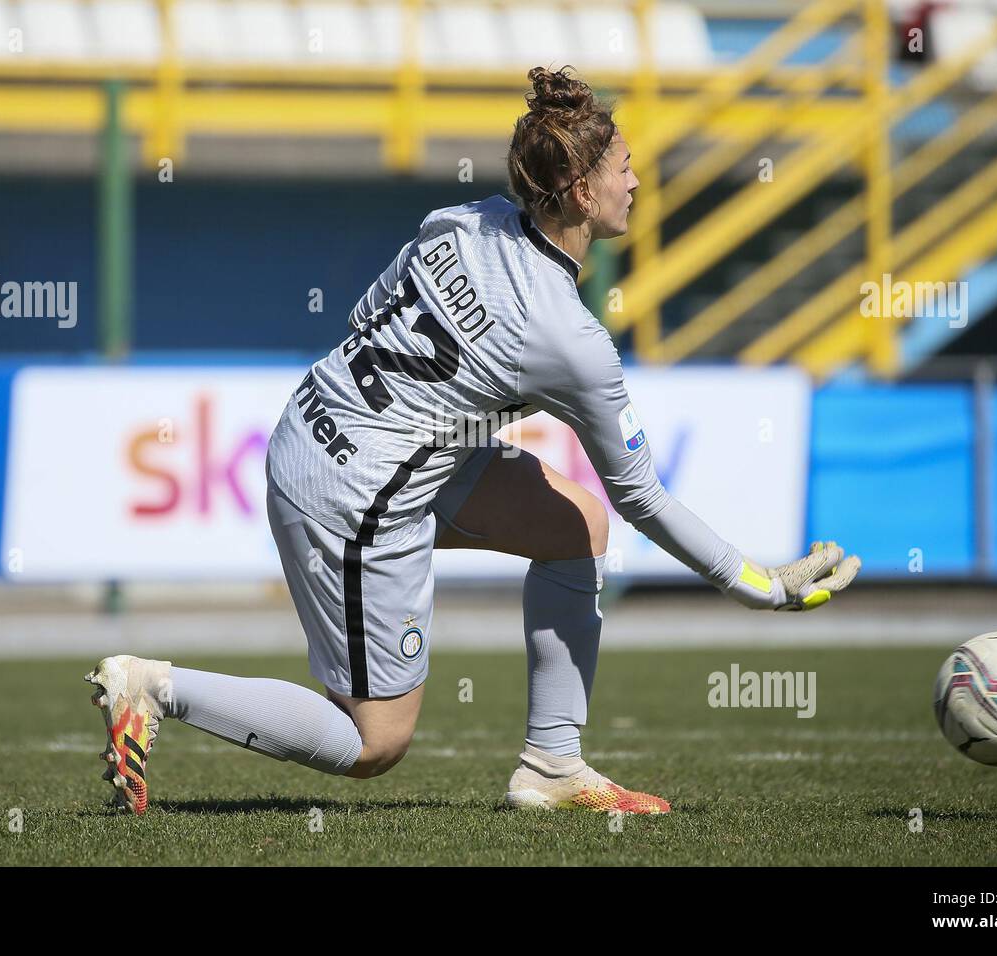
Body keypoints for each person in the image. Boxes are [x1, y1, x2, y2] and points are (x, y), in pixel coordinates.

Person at [85, 66, 861, 817]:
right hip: (353, 492)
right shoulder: (569, 338)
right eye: (625, 168)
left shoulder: (465, 219)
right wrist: (762, 585)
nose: (636, 181)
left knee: (574, 527)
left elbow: (366, 313)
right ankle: (155, 687)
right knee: (376, 742)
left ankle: (552, 766)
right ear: (584, 193)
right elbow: (642, 495)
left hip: (327, 424)